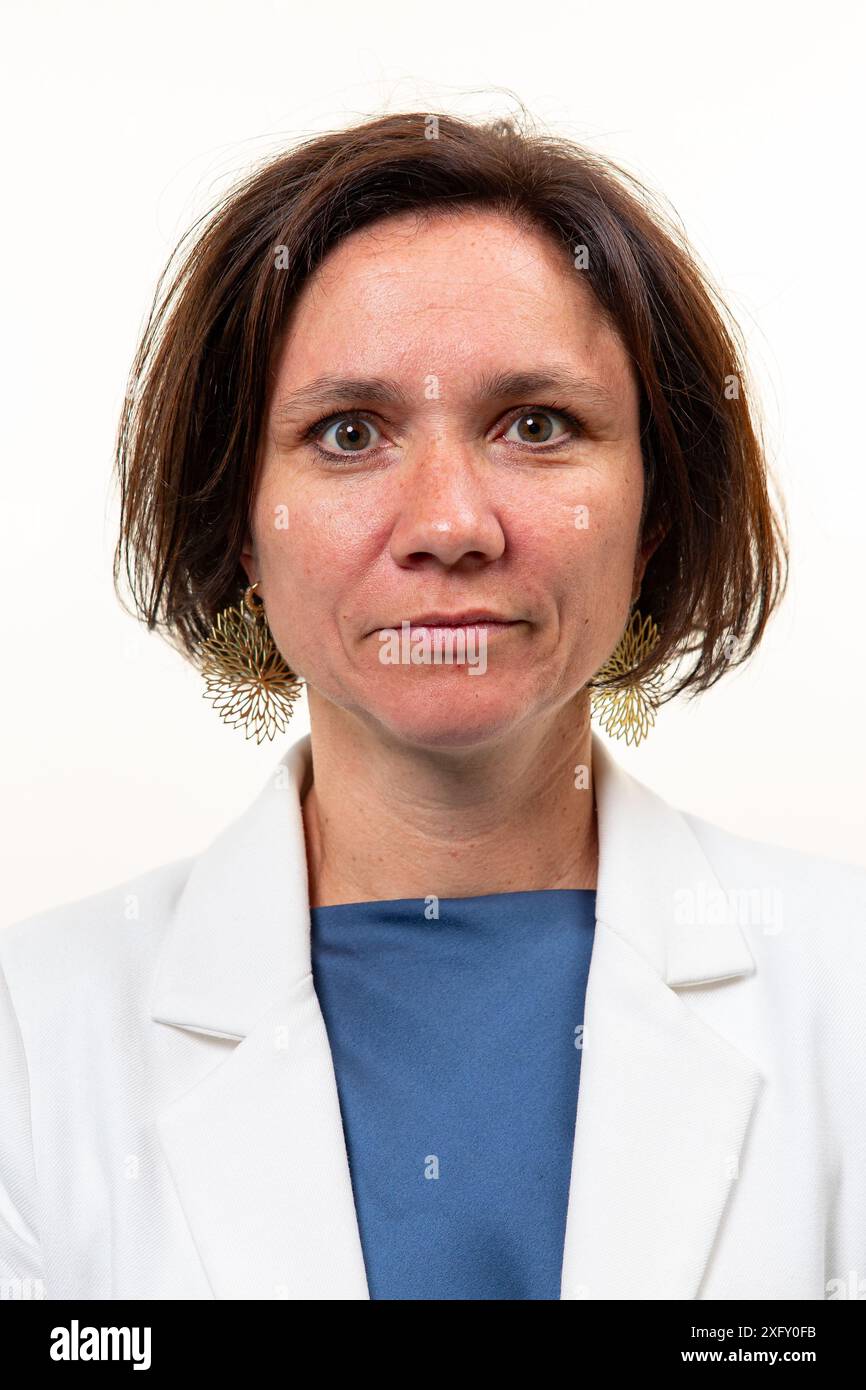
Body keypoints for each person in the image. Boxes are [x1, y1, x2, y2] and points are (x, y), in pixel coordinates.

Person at [2, 110, 864, 1302]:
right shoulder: (31, 1039)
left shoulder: (846, 989)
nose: (451, 524)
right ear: (241, 524)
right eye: (348, 434)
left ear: (653, 508)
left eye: (536, 425)